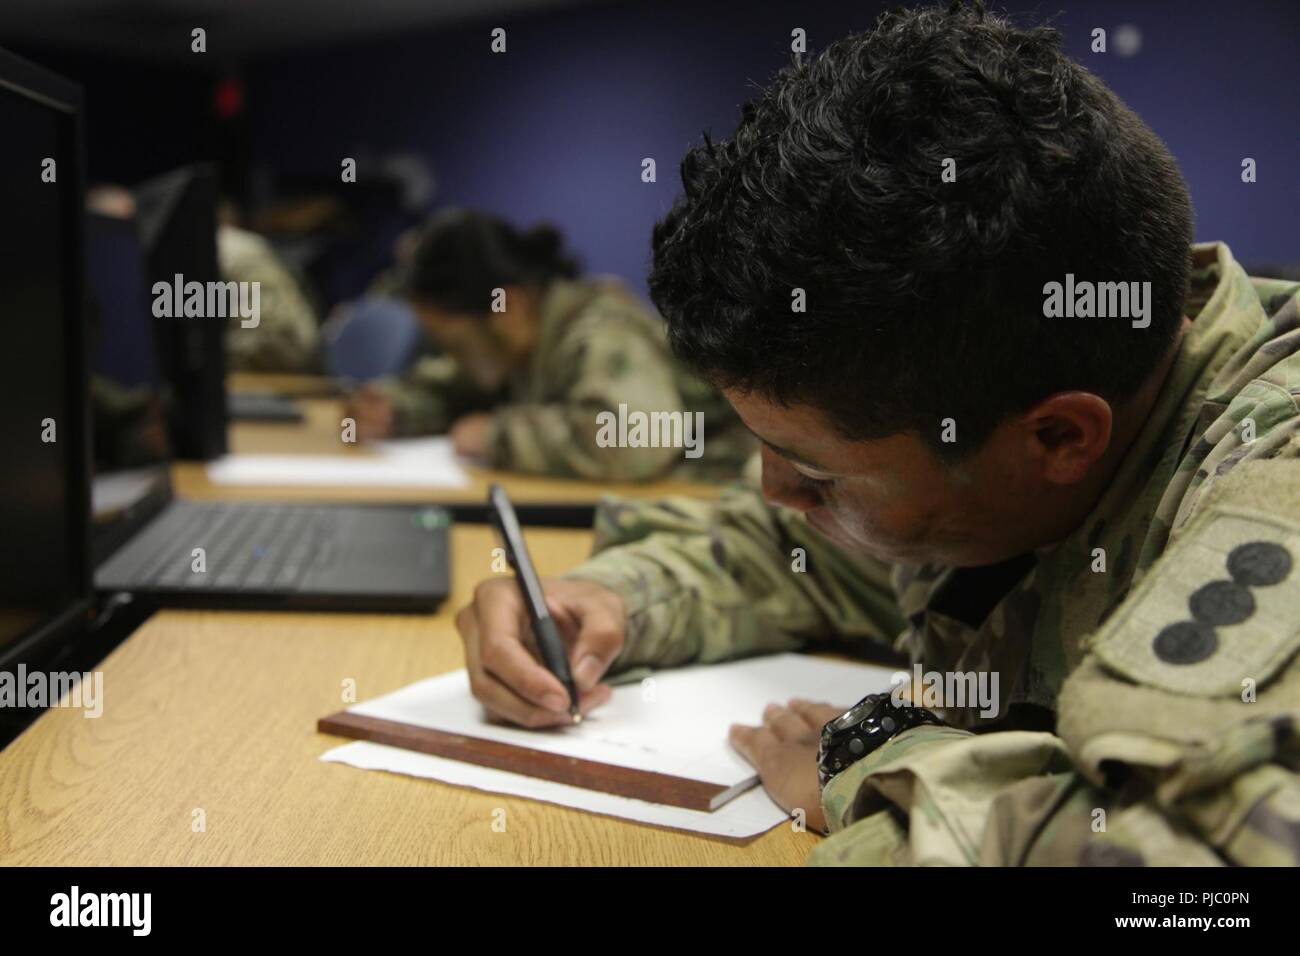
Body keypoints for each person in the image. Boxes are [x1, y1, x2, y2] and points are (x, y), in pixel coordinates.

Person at [451, 2, 1300, 865]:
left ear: (1056, 440)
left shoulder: (1275, 479)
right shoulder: (990, 406)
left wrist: (872, 766)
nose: (772, 490)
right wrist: (614, 602)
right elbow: (780, 558)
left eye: (815, 476)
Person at [344, 209, 753, 481]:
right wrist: (396, 410)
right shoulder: (519, 345)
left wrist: (500, 436)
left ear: (508, 305)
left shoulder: (600, 331)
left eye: (454, 343)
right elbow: (463, 388)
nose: (452, 358)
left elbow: (637, 439)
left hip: (712, 499)